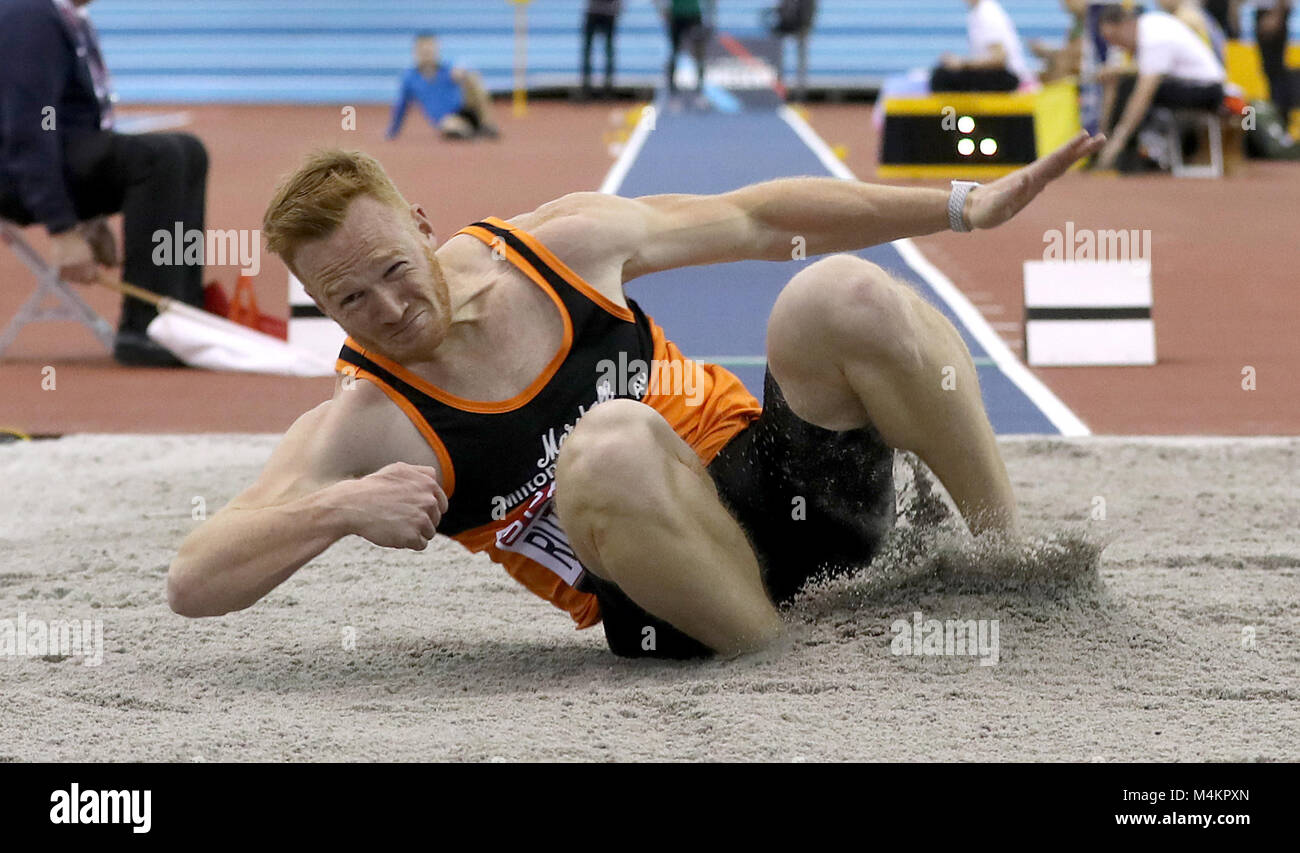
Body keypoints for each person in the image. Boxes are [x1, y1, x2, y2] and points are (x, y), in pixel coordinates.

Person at [166, 131, 1105, 659]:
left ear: (421, 226)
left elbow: (760, 216)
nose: (389, 309)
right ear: (317, 303)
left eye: (391, 270)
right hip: (683, 603)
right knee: (610, 438)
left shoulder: (554, 247)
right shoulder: (363, 421)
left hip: (791, 492)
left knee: (841, 293)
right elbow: (194, 580)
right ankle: (778, 668)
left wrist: (957, 204)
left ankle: (1005, 560)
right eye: (347, 300)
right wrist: (339, 506)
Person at [0, 0, 209, 367]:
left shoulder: (67, 15)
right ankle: (144, 327)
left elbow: (83, 131)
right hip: (17, 174)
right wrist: (62, 228)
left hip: (56, 158)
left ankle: (179, 310)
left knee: (187, 150)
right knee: (159, 156)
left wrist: (92, 216)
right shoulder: (30, 14)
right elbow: (28, 130)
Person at [1094, 4, 1227, 171]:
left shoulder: (1154, 38)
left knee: (1131, 89)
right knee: (1125, 82)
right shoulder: (1146, 27)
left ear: (1126, 25)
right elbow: (1116, 82)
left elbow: (1143, 94)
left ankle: (1124, 156)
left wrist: (1117, 141)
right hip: (1190, 84)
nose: (1116, 45)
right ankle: (1118, 154)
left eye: (1115, 38)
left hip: (1207, 90)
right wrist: (1103, 133)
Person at [386, 32, 500, 141]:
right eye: (423, 49)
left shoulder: (448, 68)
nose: (427, 52)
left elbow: (466, 68)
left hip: (465, 109)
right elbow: (402, 106)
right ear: (416, 51)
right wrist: (393, 131)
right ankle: (471, 131)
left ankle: (486, 123)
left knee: (472, 77)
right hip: (446, 121)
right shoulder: (410, 78)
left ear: (436, 49)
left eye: (430, 48)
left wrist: (463, 73)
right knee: (449, 126)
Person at [932, 0, 1037, 92]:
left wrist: (961, 63)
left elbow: (999, 59)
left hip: (1009, 77)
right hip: (1001, 74)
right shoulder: (977, 12)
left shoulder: (986, 13)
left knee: (942, 77)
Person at [656, 0, 715, 94]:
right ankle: (671, 86)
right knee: (675, 51)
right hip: (677, 16)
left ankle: (700, 85)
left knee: (698, 51)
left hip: (693, 15)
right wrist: (662, 9)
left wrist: (711, 15)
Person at [1255, 1, 1294, 141]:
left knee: (1275, 72)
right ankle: (1278, 126)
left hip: (1272, 11)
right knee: (1270, 70)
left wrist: (1276, 13)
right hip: (1267, 11)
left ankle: (1281, 126)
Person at [770, 0, 818, 101]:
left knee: (801, 62)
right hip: (785, 27)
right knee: (776, 58)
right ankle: (777, 90)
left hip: (801, 29)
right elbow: (782, 8)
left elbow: (809, 10)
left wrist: (804, 27)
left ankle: (800, 95)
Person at [1031, 0, 1088, 84]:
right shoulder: (1076, 24)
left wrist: (1050, 53)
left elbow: (1076, 53)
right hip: (1069, 72)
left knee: (1062, 61)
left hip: (1078, 73)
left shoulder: (1093, 23)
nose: (1065, 3)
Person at [580, 0, 621, 99]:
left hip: (607, 12)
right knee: (589, 52)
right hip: (595, 11)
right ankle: (587, 86)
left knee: (608, 52)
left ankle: (607, 87)